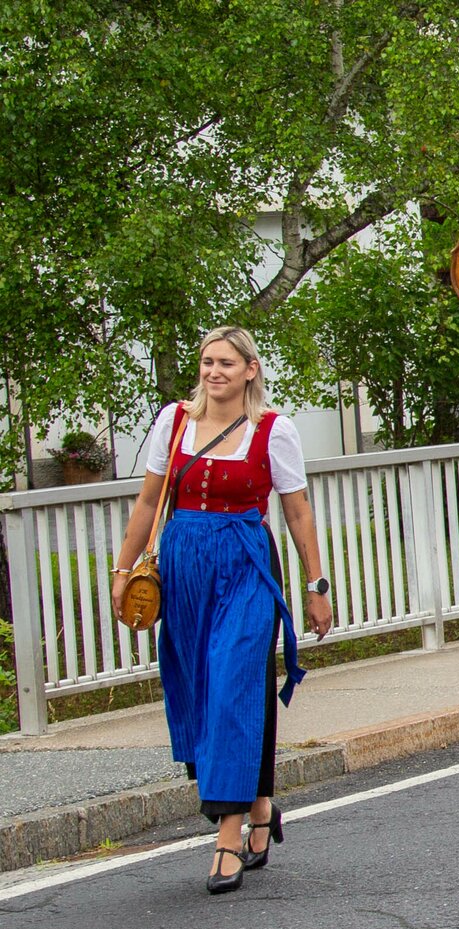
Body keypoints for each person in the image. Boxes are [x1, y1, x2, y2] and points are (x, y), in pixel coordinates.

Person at [112, 327, 332, 894]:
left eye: (227, 363)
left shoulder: (272, 430)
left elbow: (297, 509)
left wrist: (316, 583)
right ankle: (260, 806)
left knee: (234, 684)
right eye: (208, 362)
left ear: (251, 370)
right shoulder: (174, 421)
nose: (215, 372)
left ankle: (227, 838)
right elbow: (146, 500)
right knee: (202, 689)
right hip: (185, 569)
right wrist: (122, 569)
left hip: (244, 565)